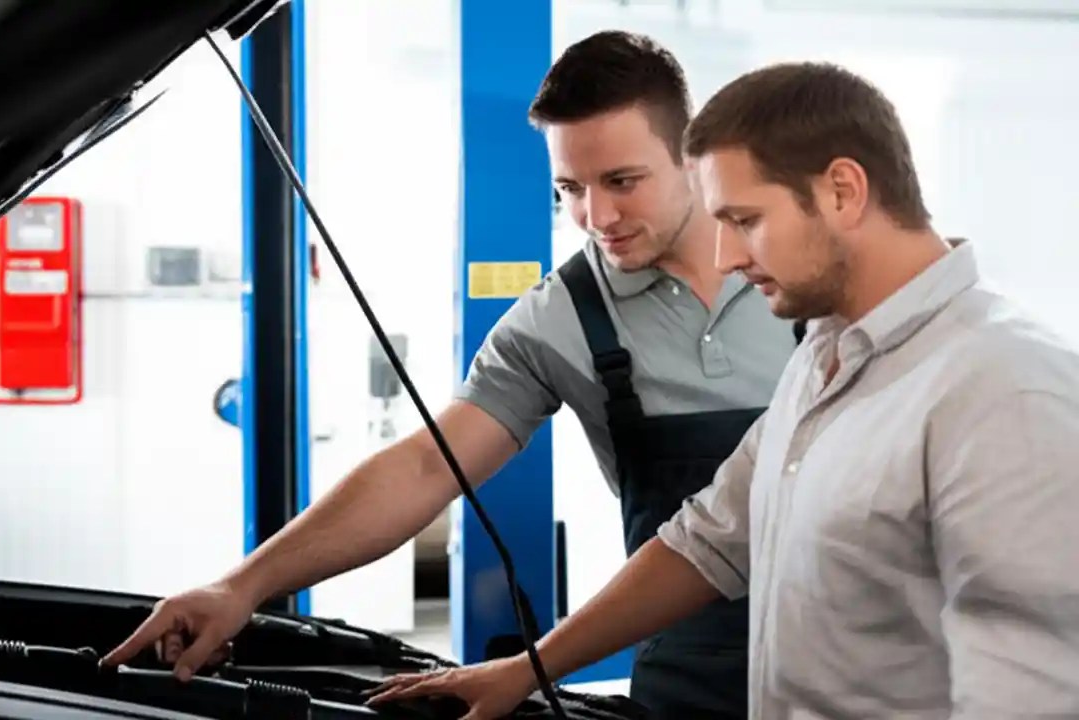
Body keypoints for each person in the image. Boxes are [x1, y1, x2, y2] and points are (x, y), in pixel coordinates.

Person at [100, 31, 799, 718]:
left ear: (690, 154)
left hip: (856, 662)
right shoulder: (561, 319)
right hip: (686, 686)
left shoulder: (809, 280)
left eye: (621, 181)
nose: (596, 216)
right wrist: (242, 588)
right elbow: (427, 468)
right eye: (569, 188)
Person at [365, 60, 1079, 720]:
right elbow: (707, 541)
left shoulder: (1005, 387)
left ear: (842, 191)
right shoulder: (823, 363)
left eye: (744, 222)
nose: (727, 256)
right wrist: (529, 668)